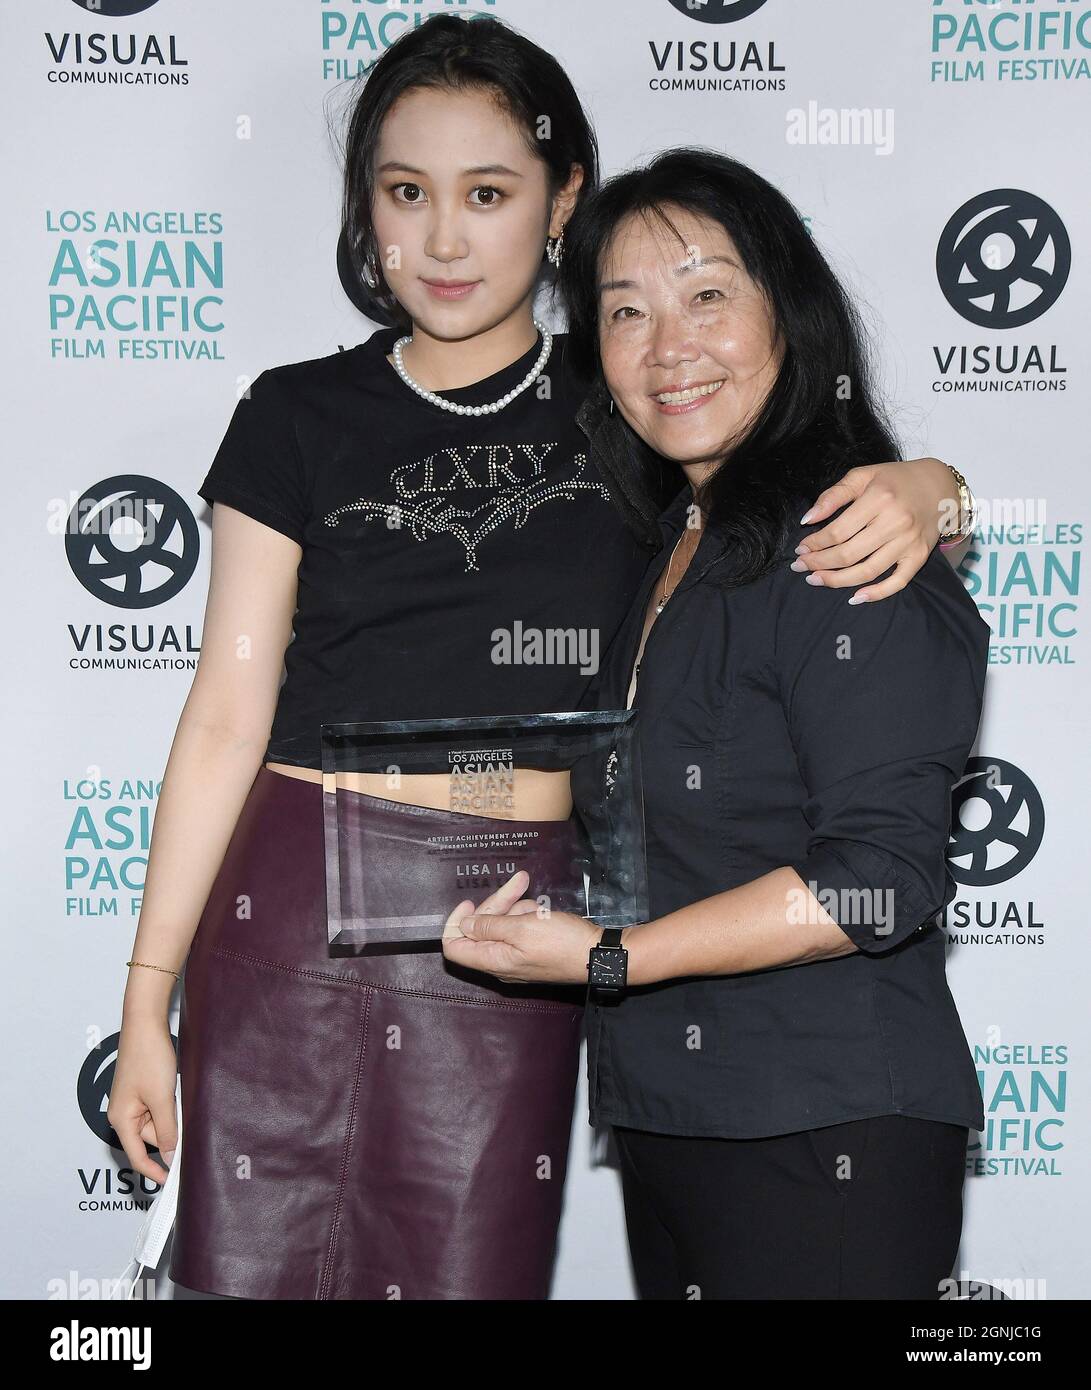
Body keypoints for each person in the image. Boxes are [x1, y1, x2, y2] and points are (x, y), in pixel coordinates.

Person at [107, 16, 975, 1303]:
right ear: (364, 206)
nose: (444, 238)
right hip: (291, 921)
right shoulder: (292, 412)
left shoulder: (629, 398)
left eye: (489, 193)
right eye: (405, 193)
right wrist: (145, 996)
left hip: (512, 939)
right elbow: (228, 716)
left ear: (562, 200)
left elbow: (778, 459)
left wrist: (932, 484)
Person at [442, 147, 988, 1300]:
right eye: (624, 312)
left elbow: (877, 877)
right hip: (671, 1114)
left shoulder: (847, 539)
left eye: (705, 295)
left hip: (825, 1121)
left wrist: (606, 956)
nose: (666, 347)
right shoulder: (659, 550)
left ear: (785, 311)